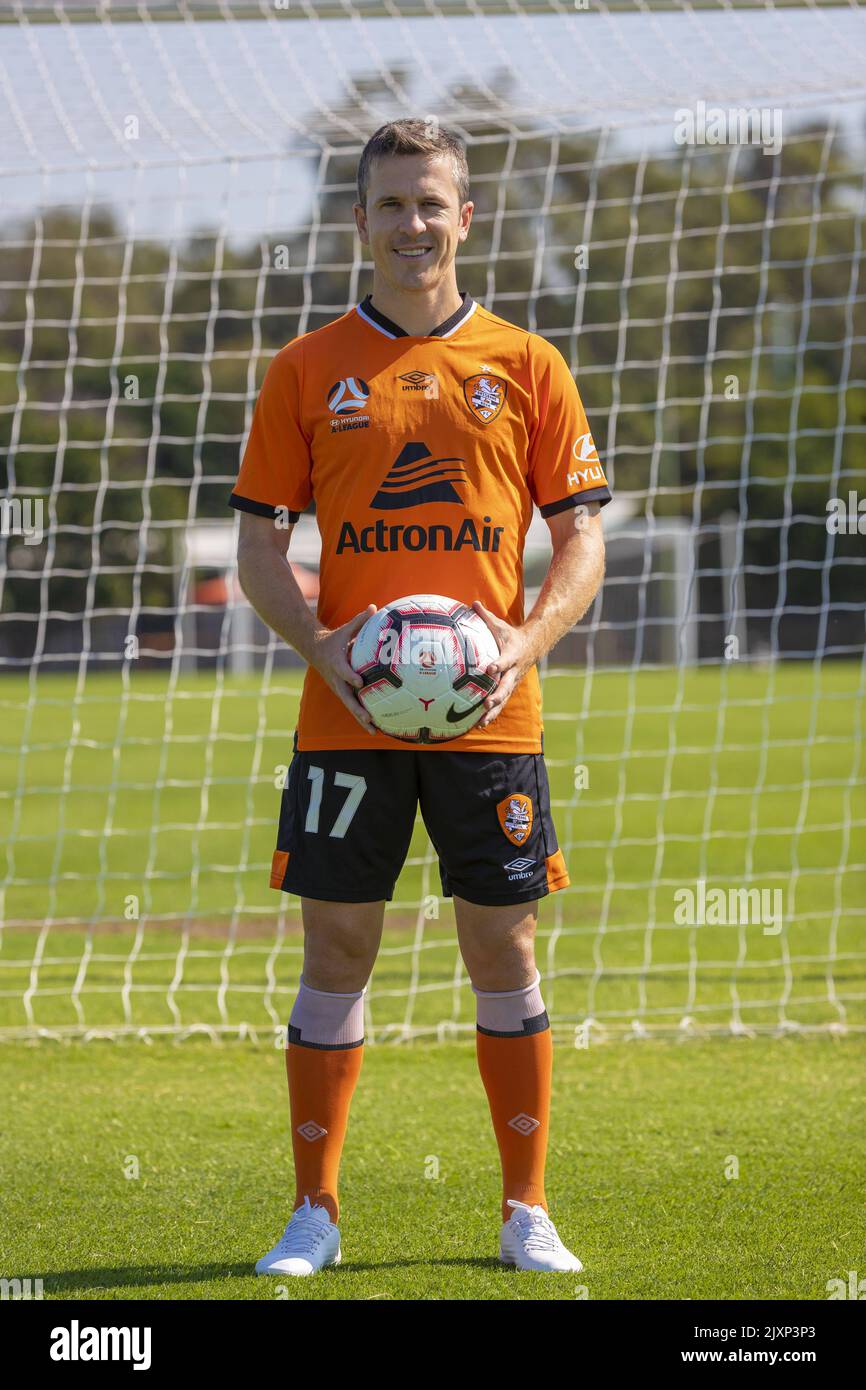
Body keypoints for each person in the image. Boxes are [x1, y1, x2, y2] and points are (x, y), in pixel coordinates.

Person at [230, 118, 610, 1277]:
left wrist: (519, 640)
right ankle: (315, 1212)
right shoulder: (303, 371)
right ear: (359, 221)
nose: (411, 226)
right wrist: (326, 645)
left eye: (430, 204)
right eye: (389, 206)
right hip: (349, 710)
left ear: (464, 216)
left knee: (502, 945)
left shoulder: (528, 364)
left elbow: (579, 542)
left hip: (491, 715)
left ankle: (524, 1210)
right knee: (337, 941)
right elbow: (258, 552)